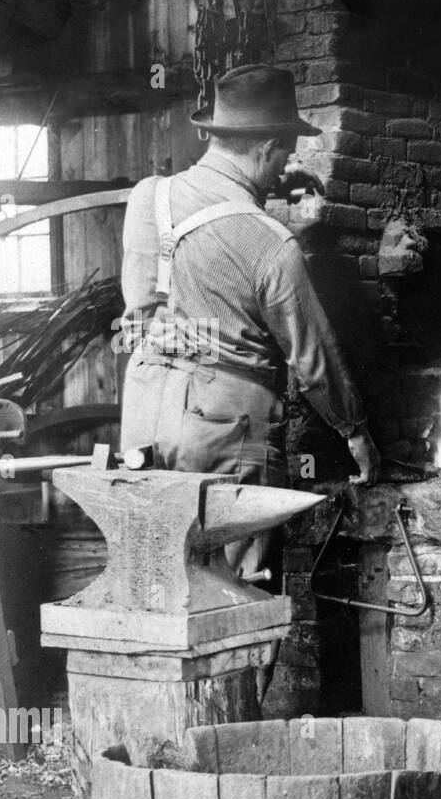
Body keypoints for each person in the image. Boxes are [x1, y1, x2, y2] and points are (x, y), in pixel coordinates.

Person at [118, 63, 380, 580]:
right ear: (267, 146)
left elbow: (184, 262)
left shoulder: (148, 197)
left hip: (146, 406)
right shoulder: (272, 244)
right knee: (238, 590)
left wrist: (264, 195)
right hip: (224, 425)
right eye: (286, 152)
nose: (287, 164)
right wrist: (354, 430)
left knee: (156, 576)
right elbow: (311, 358)